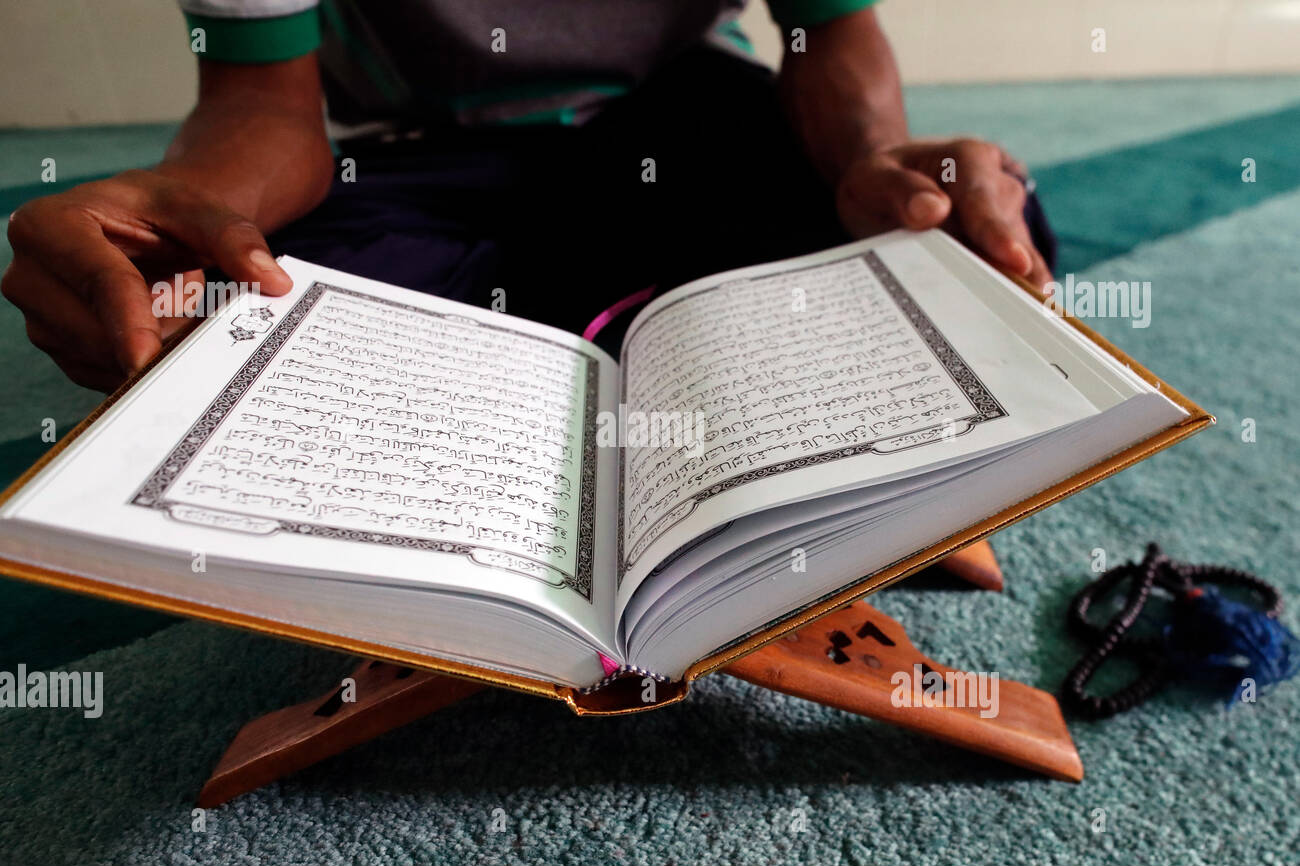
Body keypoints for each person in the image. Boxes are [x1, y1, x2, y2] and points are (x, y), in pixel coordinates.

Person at [3, 1, 1055, 392]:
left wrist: (869, 158)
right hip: (422, 153)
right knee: (236, 316)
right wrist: (183, 211)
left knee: (958, 227)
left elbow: (824, 28)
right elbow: (264, 105)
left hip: (677, 122)